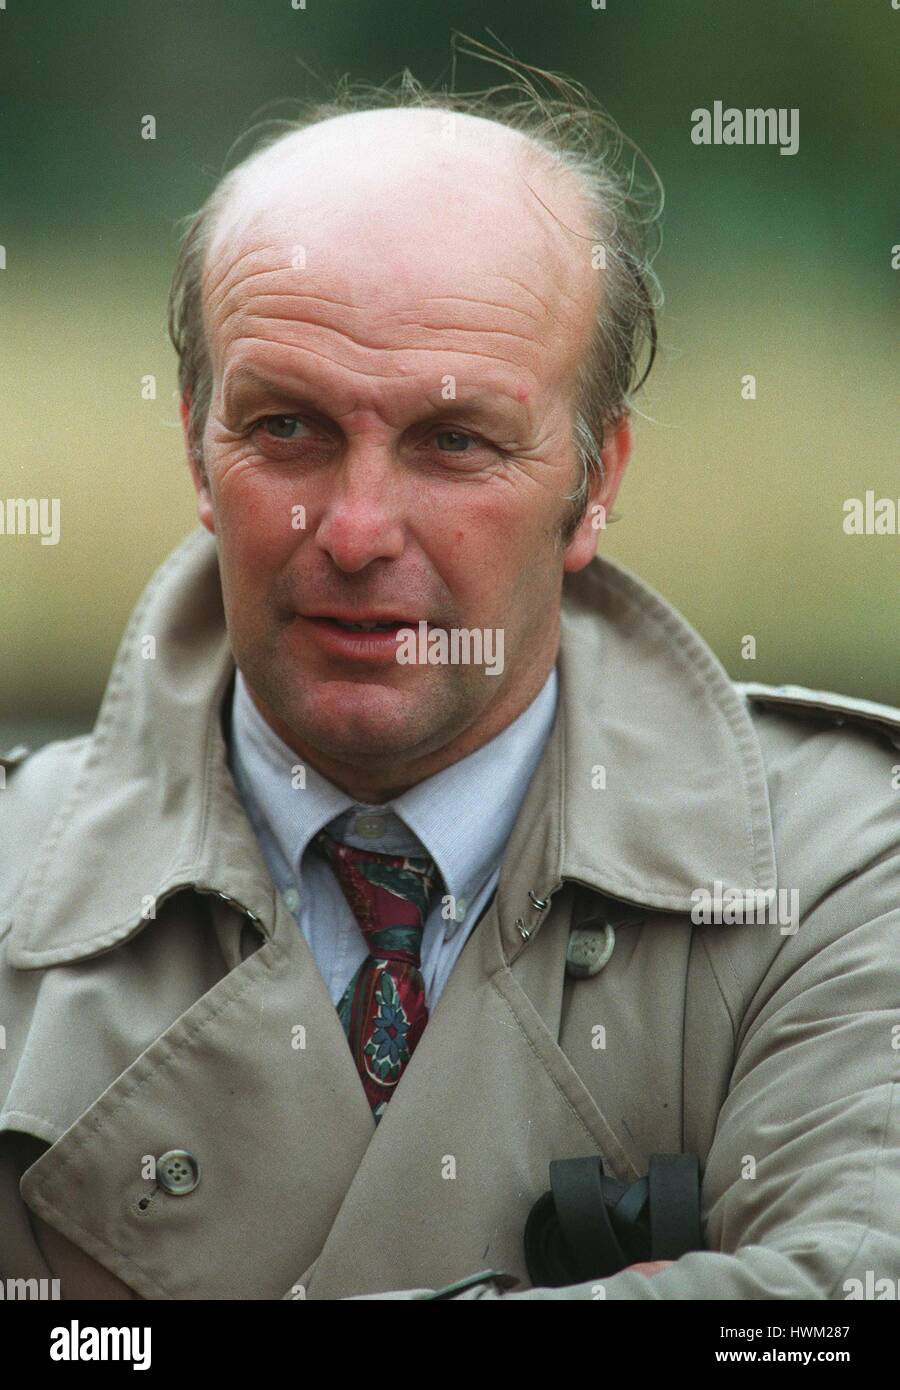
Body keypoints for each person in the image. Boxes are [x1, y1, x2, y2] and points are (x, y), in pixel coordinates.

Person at [1, 54, 898, 1302]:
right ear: (199, 451)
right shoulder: (14, 886)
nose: (358, 530)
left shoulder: (839, 865)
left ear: (595, 481)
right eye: (288, 428)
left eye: (453, 441)